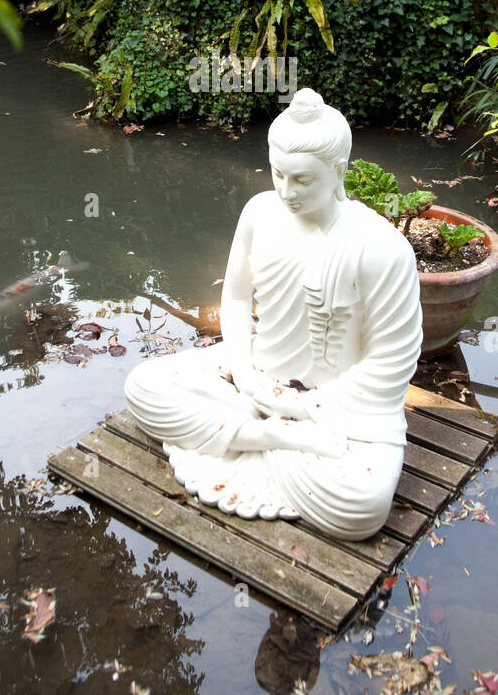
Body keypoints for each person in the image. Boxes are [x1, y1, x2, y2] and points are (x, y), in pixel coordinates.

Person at [124, 88, 422, 540]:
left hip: (335, 404)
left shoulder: (381, 248)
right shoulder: (259, 213)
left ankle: (241, 435)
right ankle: (271, 439)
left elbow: (393, 362)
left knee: (362, 504)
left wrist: (302, 406)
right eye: (278, 174)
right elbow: (238, 299)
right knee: (143, 387)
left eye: (302, 180)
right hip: (258, 375)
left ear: (338, 171)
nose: (286, 190)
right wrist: (244, 372)